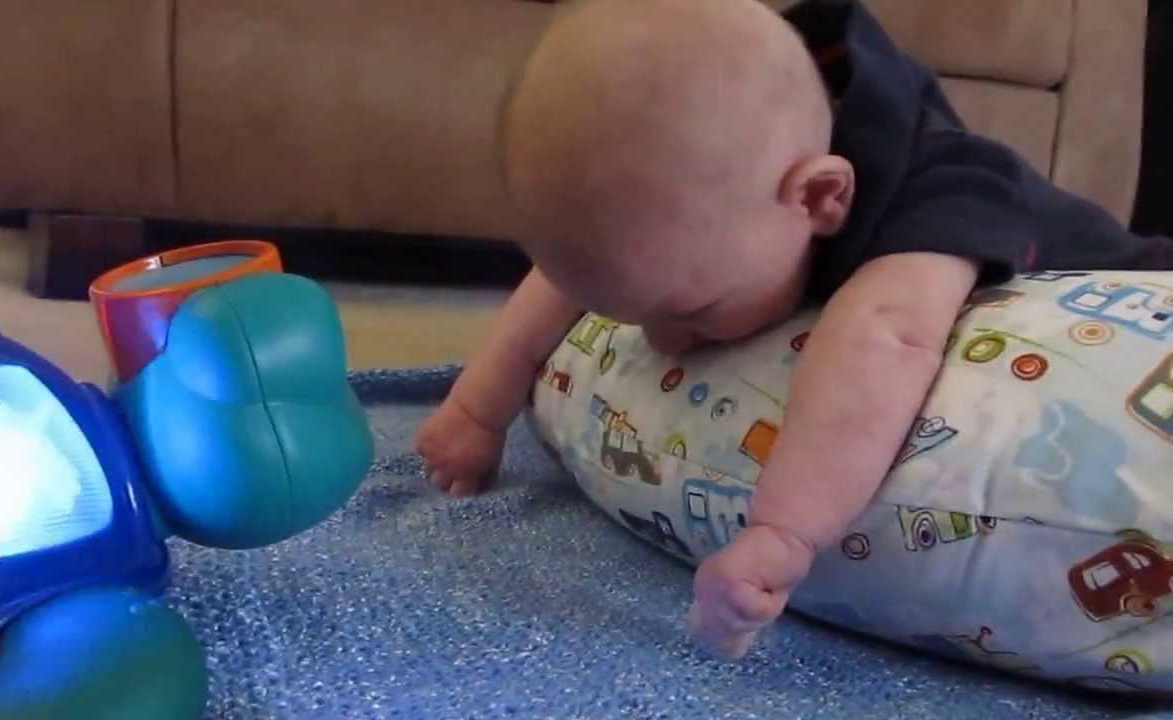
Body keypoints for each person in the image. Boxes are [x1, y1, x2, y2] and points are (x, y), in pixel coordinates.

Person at [415, 0, 1173, 660]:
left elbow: (884, 339)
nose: (663, 343)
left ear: (819, 199)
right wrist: (477, 409)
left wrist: (782, 532)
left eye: (691, 310)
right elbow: (583, 266)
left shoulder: (936, 194)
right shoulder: (712, 182)